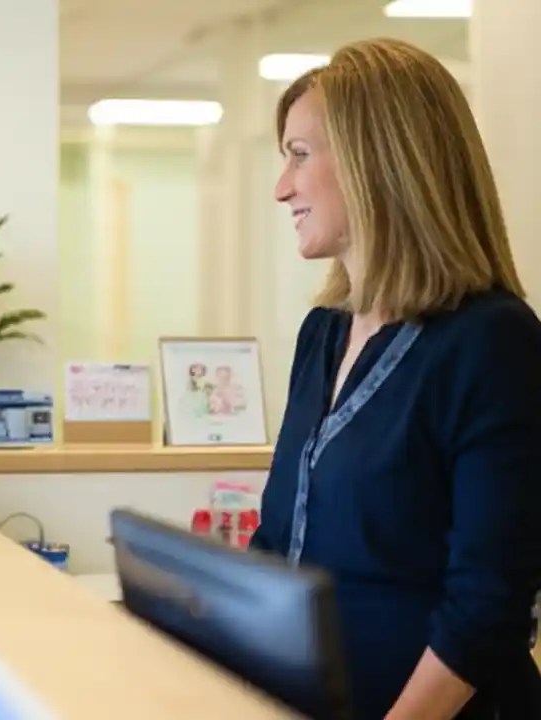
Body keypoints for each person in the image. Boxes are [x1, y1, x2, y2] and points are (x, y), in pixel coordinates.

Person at [250, 38, 541, 719]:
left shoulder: (492, 341)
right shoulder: (323, 333)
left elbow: (487, 606)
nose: (282, 187)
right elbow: (279, 540)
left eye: (299, 154)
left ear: (376, 159)